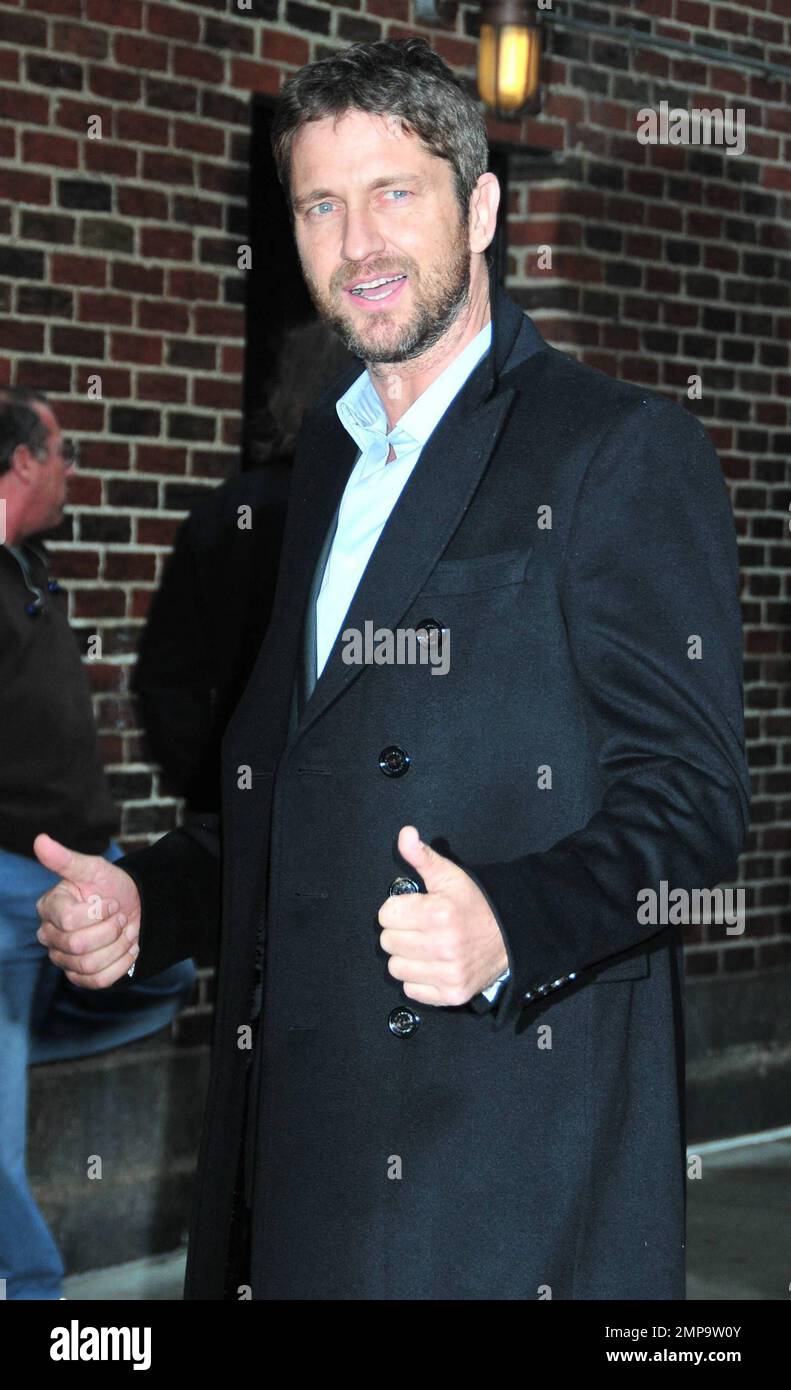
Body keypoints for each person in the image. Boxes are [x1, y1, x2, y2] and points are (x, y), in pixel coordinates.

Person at [35, 39, 751, 1301]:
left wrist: (509, 925)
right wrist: (152, 900)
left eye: (393, 193)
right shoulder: (325, 462)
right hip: (295, 1136)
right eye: (320, 203)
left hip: (491, 1156)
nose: (356, 240)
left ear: (478, 206)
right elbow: (290, 785)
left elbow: (693, 806)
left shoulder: (614, 448)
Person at [0, 387, 196, 1300]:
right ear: (22, 461)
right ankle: (32, 1288)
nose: (72, 468)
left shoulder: (32, 566)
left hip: (83, 868)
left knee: (163, 970)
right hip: (5, 878)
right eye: (63, 450)